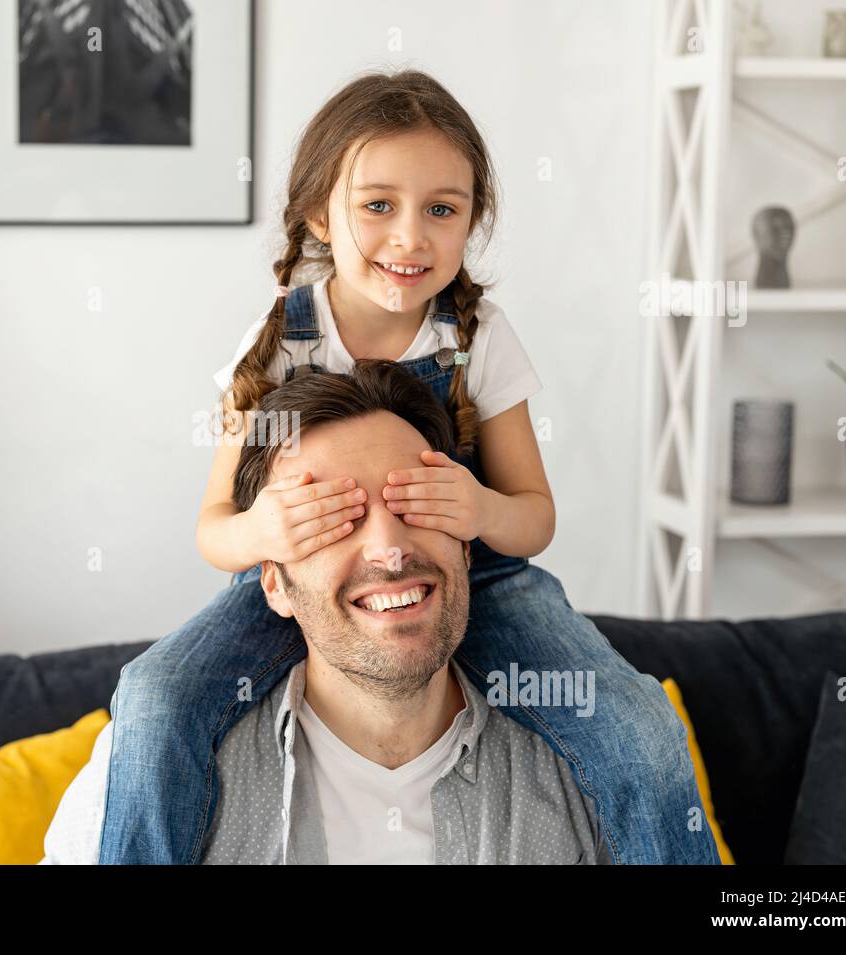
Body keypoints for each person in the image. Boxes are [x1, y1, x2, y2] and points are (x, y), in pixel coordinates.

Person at [99, 68, 719, 865]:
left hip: (480, 577)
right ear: (320, 213)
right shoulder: (281, 339)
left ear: (472, 222)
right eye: (379, 205)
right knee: (152, 701)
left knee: (639, 726)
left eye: (442, 210)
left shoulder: (479, 334)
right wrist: (264, 529)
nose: (411, 238)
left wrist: (479, 509)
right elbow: (214, 527)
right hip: (304, 580)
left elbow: (535, 514)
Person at [43, 362, 611, 864]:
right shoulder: (149, 772)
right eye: (331, 518)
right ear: (274, 582)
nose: (389, 548)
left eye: (417, 503)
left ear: (466, 543)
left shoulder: (587, 771)